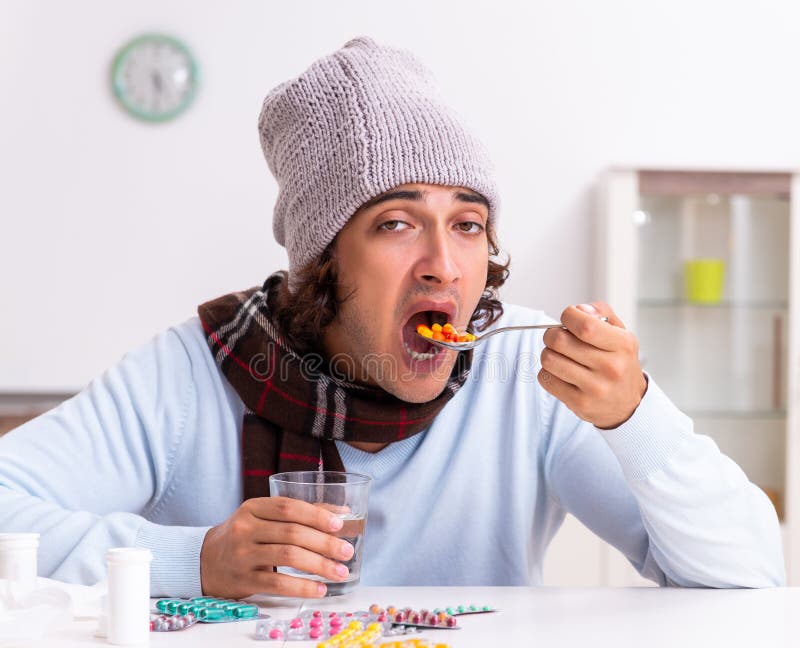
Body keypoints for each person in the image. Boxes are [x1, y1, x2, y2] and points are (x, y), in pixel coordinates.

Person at [0, 37, 784, 598]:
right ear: (322, 264)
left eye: (469, 223)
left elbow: (750, 575)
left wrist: (636, 417)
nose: (445, 262)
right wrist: (191, 563)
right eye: (396, 223)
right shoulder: (193, 372)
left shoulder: (525, 374)